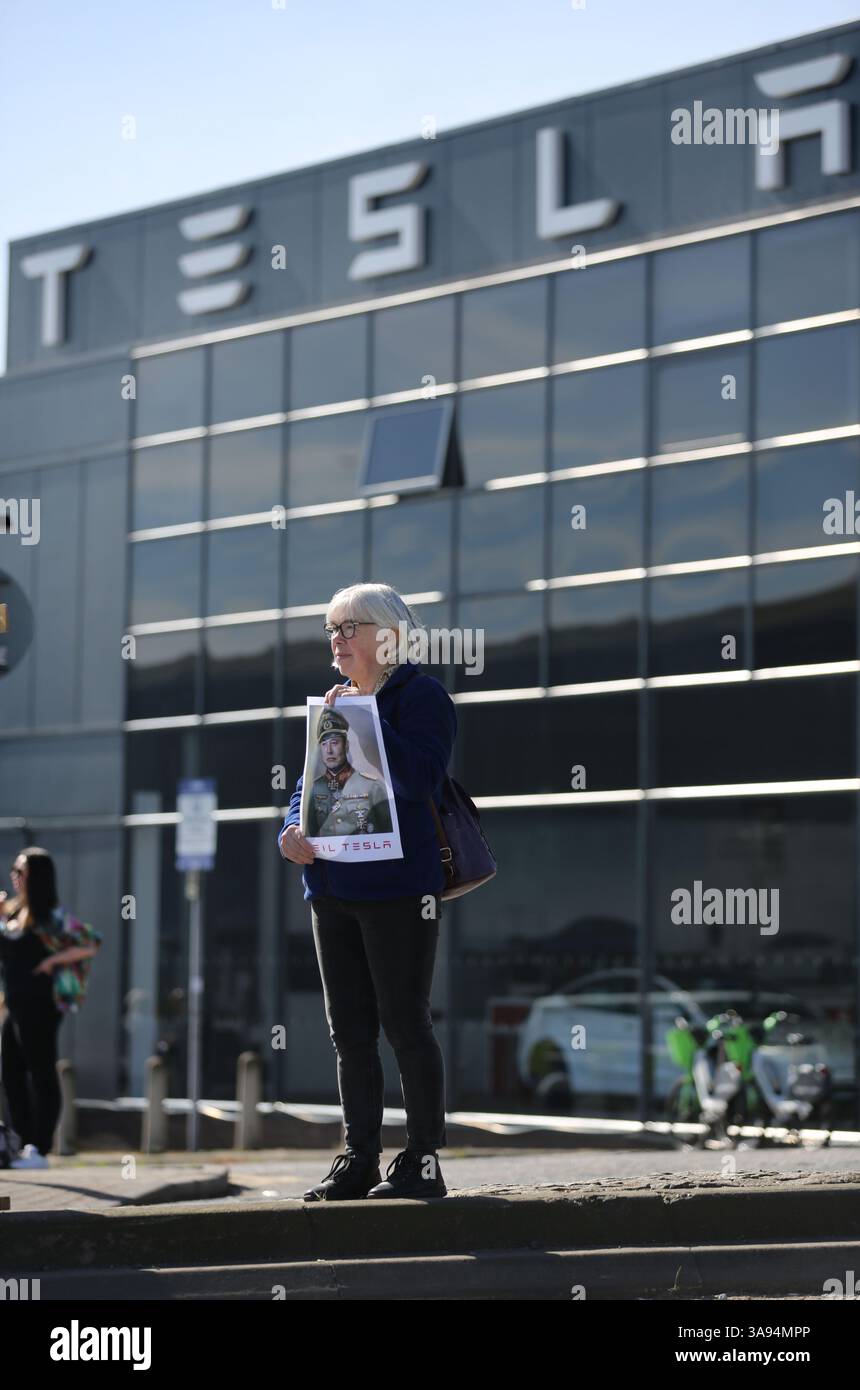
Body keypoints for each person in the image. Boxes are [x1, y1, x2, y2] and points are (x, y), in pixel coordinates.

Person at [278, 582, 456, 1201]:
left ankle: (423, 1161)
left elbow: (420, 778)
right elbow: (310, 788)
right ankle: (359, 1158)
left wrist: (363, 720)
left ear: (386, 634)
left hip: (399, 889)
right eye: (330, 629)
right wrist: (291, 831)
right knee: (348, 1030)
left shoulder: (421, 697)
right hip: (332, 885)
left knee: (405, 1022)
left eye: (346, 627)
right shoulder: (334, 703)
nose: (335, 640)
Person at [0, 846, 101, 1168]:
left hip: (41, 1004)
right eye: (14, 871)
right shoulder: (16, 912)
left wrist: (53, 960)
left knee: (41, 1070)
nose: (15, 877)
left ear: (36, 877)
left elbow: (91, 942)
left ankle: (39, 1149)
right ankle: (20, 1141)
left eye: (21, 872)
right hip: (16, 1004)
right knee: (11, 1073)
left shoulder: (50, 916)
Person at [306, 708, 393, 837]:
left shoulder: (373, 787)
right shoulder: (314, 788)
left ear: (346, 745)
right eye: (324, 744)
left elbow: (389, 835)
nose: (329, 750)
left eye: (334, 743)